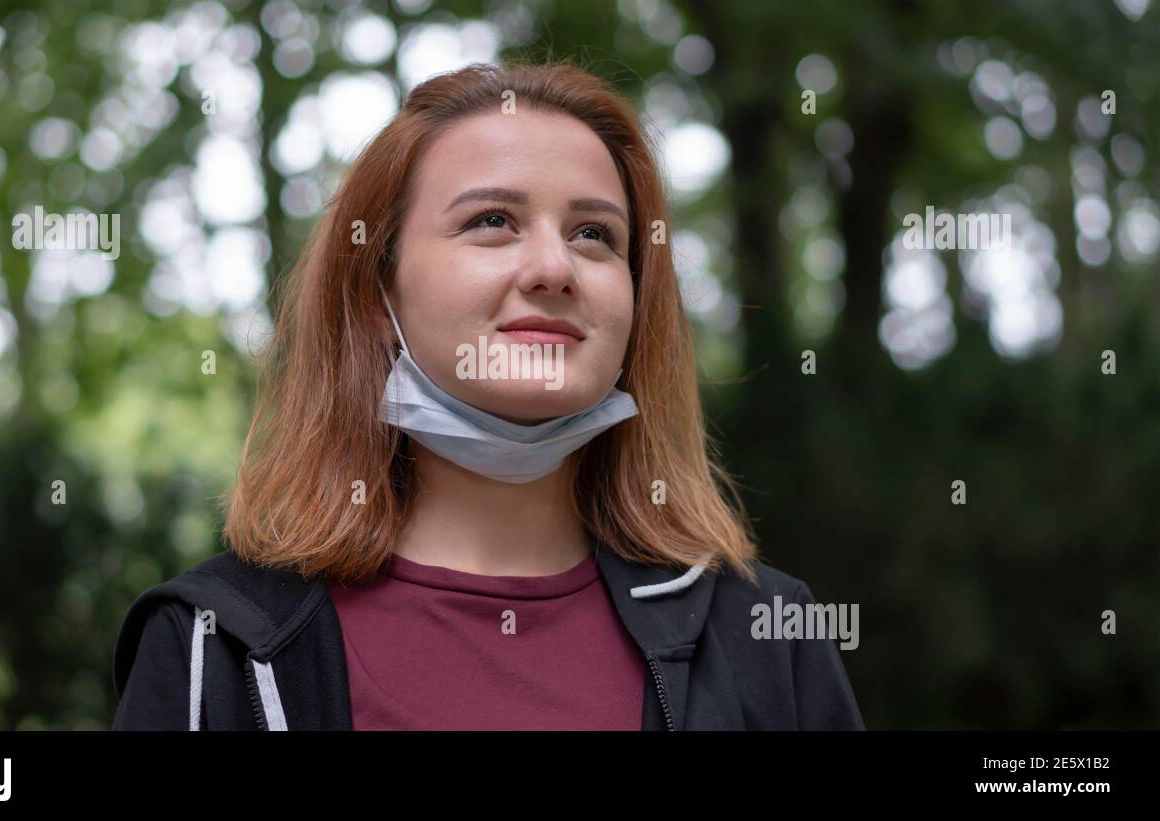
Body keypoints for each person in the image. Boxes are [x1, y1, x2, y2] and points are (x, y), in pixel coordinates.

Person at [112, 60, 864, 731]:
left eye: (595, 234)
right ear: (378, 294)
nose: (553, 267)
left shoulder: (770, 633)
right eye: (492, 221)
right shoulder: (214, 644)